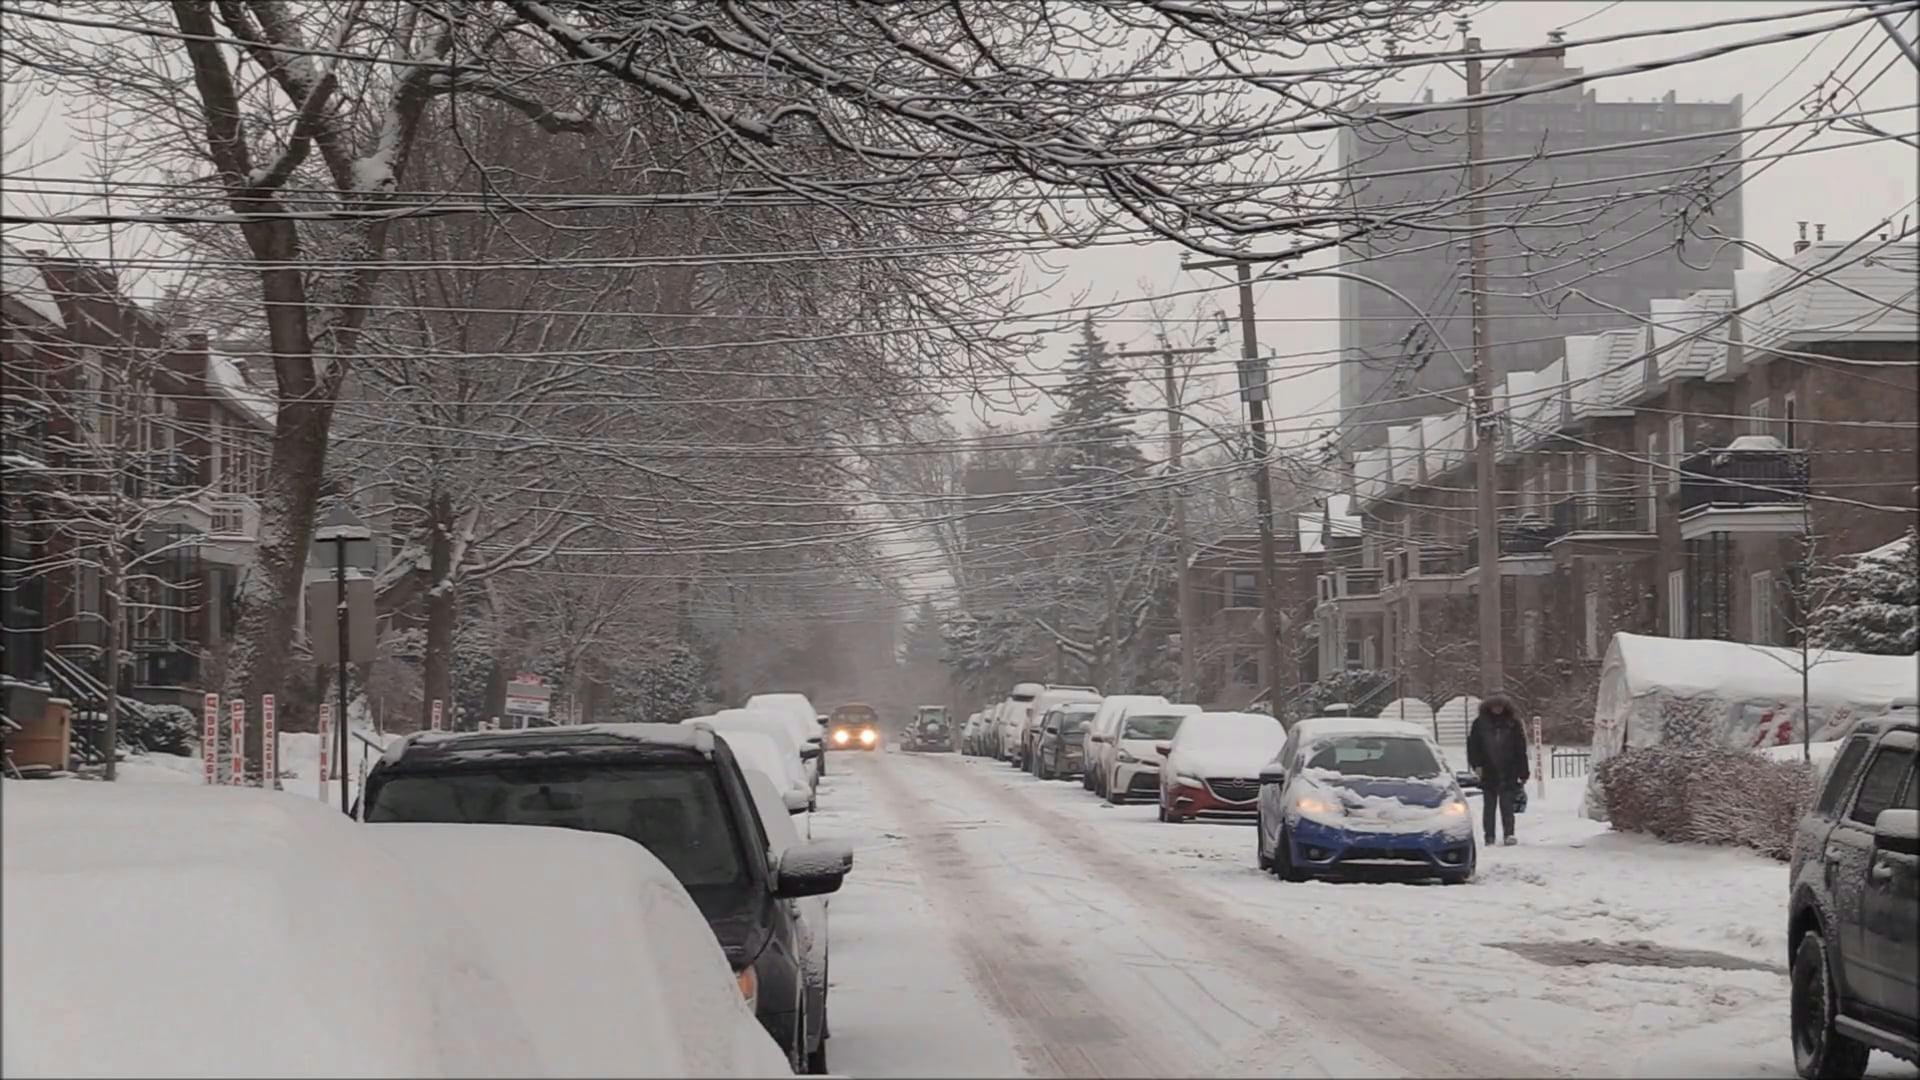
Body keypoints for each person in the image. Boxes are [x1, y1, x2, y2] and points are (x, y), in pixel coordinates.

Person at [1466, 691, 1529, 846]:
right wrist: (1477, 765)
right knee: (1489, 805)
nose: (1497, 709)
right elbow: (1473, 746)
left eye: (1500, 706)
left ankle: (1509, 833)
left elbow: (1520, 748)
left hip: (1509, 769)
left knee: (1507, 805)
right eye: (1495, 706)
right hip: (1488, 770)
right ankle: (1489, 836)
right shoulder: (1480, 724)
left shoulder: (1513, 724)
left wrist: (1523, 771)